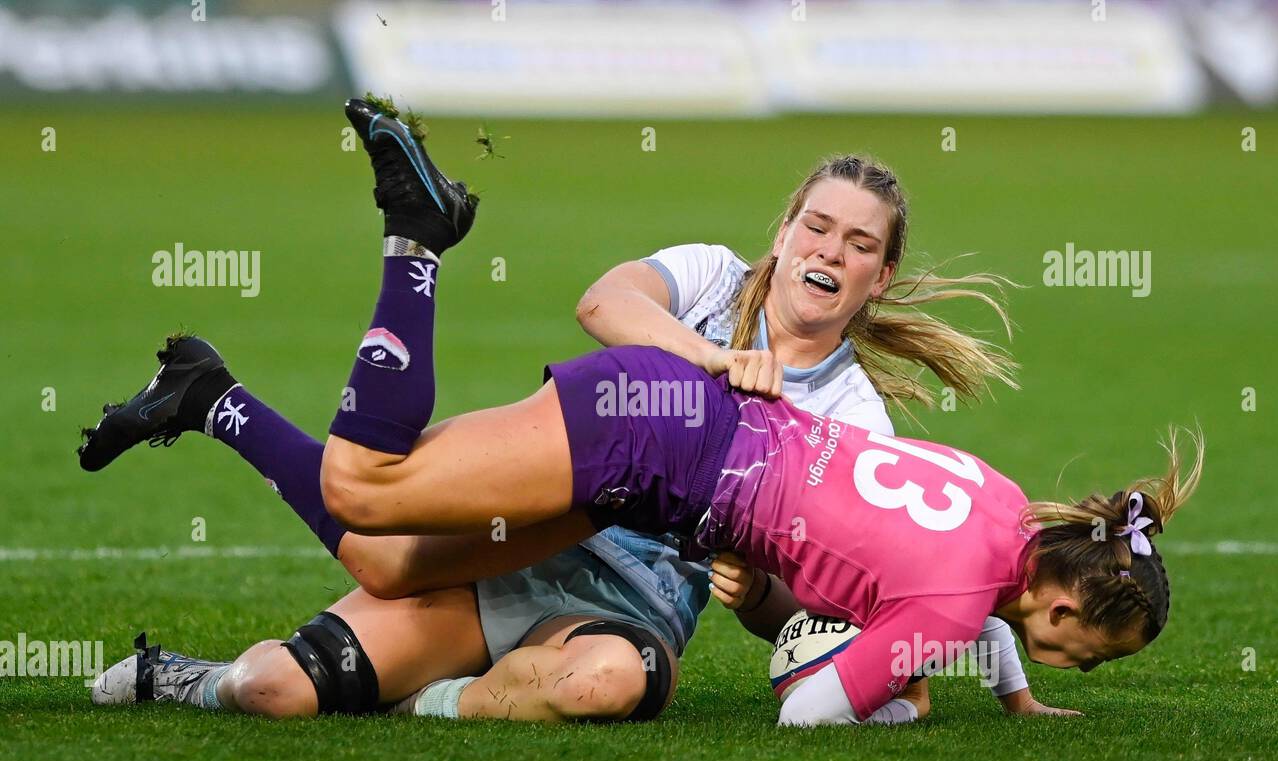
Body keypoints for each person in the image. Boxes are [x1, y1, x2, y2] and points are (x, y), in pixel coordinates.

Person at [83, 98, 1146, 725]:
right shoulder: (710, 277)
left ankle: (209, 398)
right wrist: (714, 360)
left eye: (859, 245)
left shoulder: (861, 417)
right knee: (369, 517)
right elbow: (605, 302)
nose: (830, 251)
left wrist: (752, 598)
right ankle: (410, 243)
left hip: (639, 571)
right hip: (618, 451)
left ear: (878, 280)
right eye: (817, 227)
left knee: (341, 626)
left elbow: (864, 587)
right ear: (783, 234)